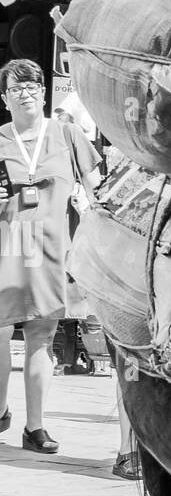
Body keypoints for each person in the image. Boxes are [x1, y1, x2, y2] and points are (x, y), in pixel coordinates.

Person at [0, 59, 101, 453]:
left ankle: (35, 428)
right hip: (5, 246)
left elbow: (97, 192)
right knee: (1, 332)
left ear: (44, 91)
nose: (26, 92)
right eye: (17, 87)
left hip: (49, 249)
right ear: (4, 97)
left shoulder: (67, 134)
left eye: (33, 85)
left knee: (42, 336)